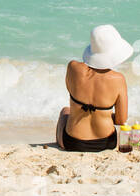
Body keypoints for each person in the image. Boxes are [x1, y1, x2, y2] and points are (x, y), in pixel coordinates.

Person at [55, 24, 132, 152]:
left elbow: (70, 88)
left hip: (72, 142)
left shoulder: (73, 67)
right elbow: (121, 119)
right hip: (106, 142)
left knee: (65, 111)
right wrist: (102, 113)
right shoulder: (118, 79)